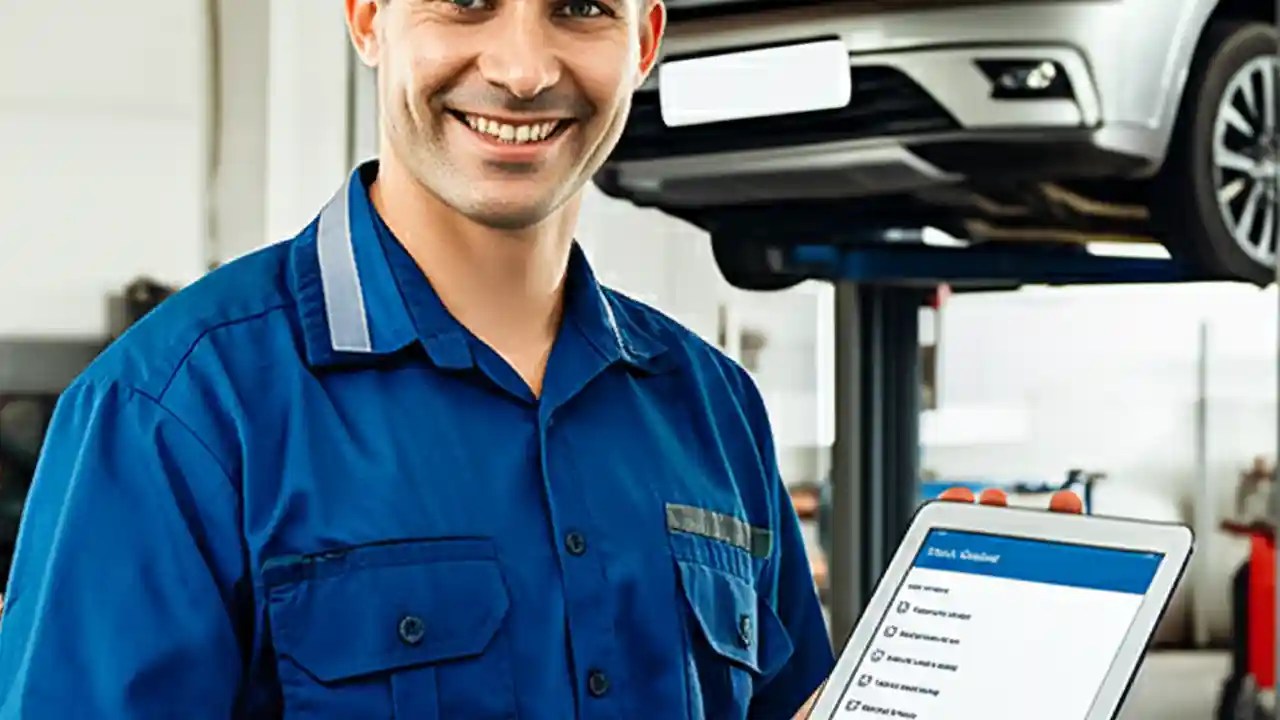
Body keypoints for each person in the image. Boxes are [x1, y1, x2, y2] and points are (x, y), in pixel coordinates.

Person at [0, 0, 1082, 717]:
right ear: (370, 17)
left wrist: (951, 668)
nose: (522, 69)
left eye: (580, 8)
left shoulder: (710, 409)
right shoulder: (175, 412)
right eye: (467, 0)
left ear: (644, 40)